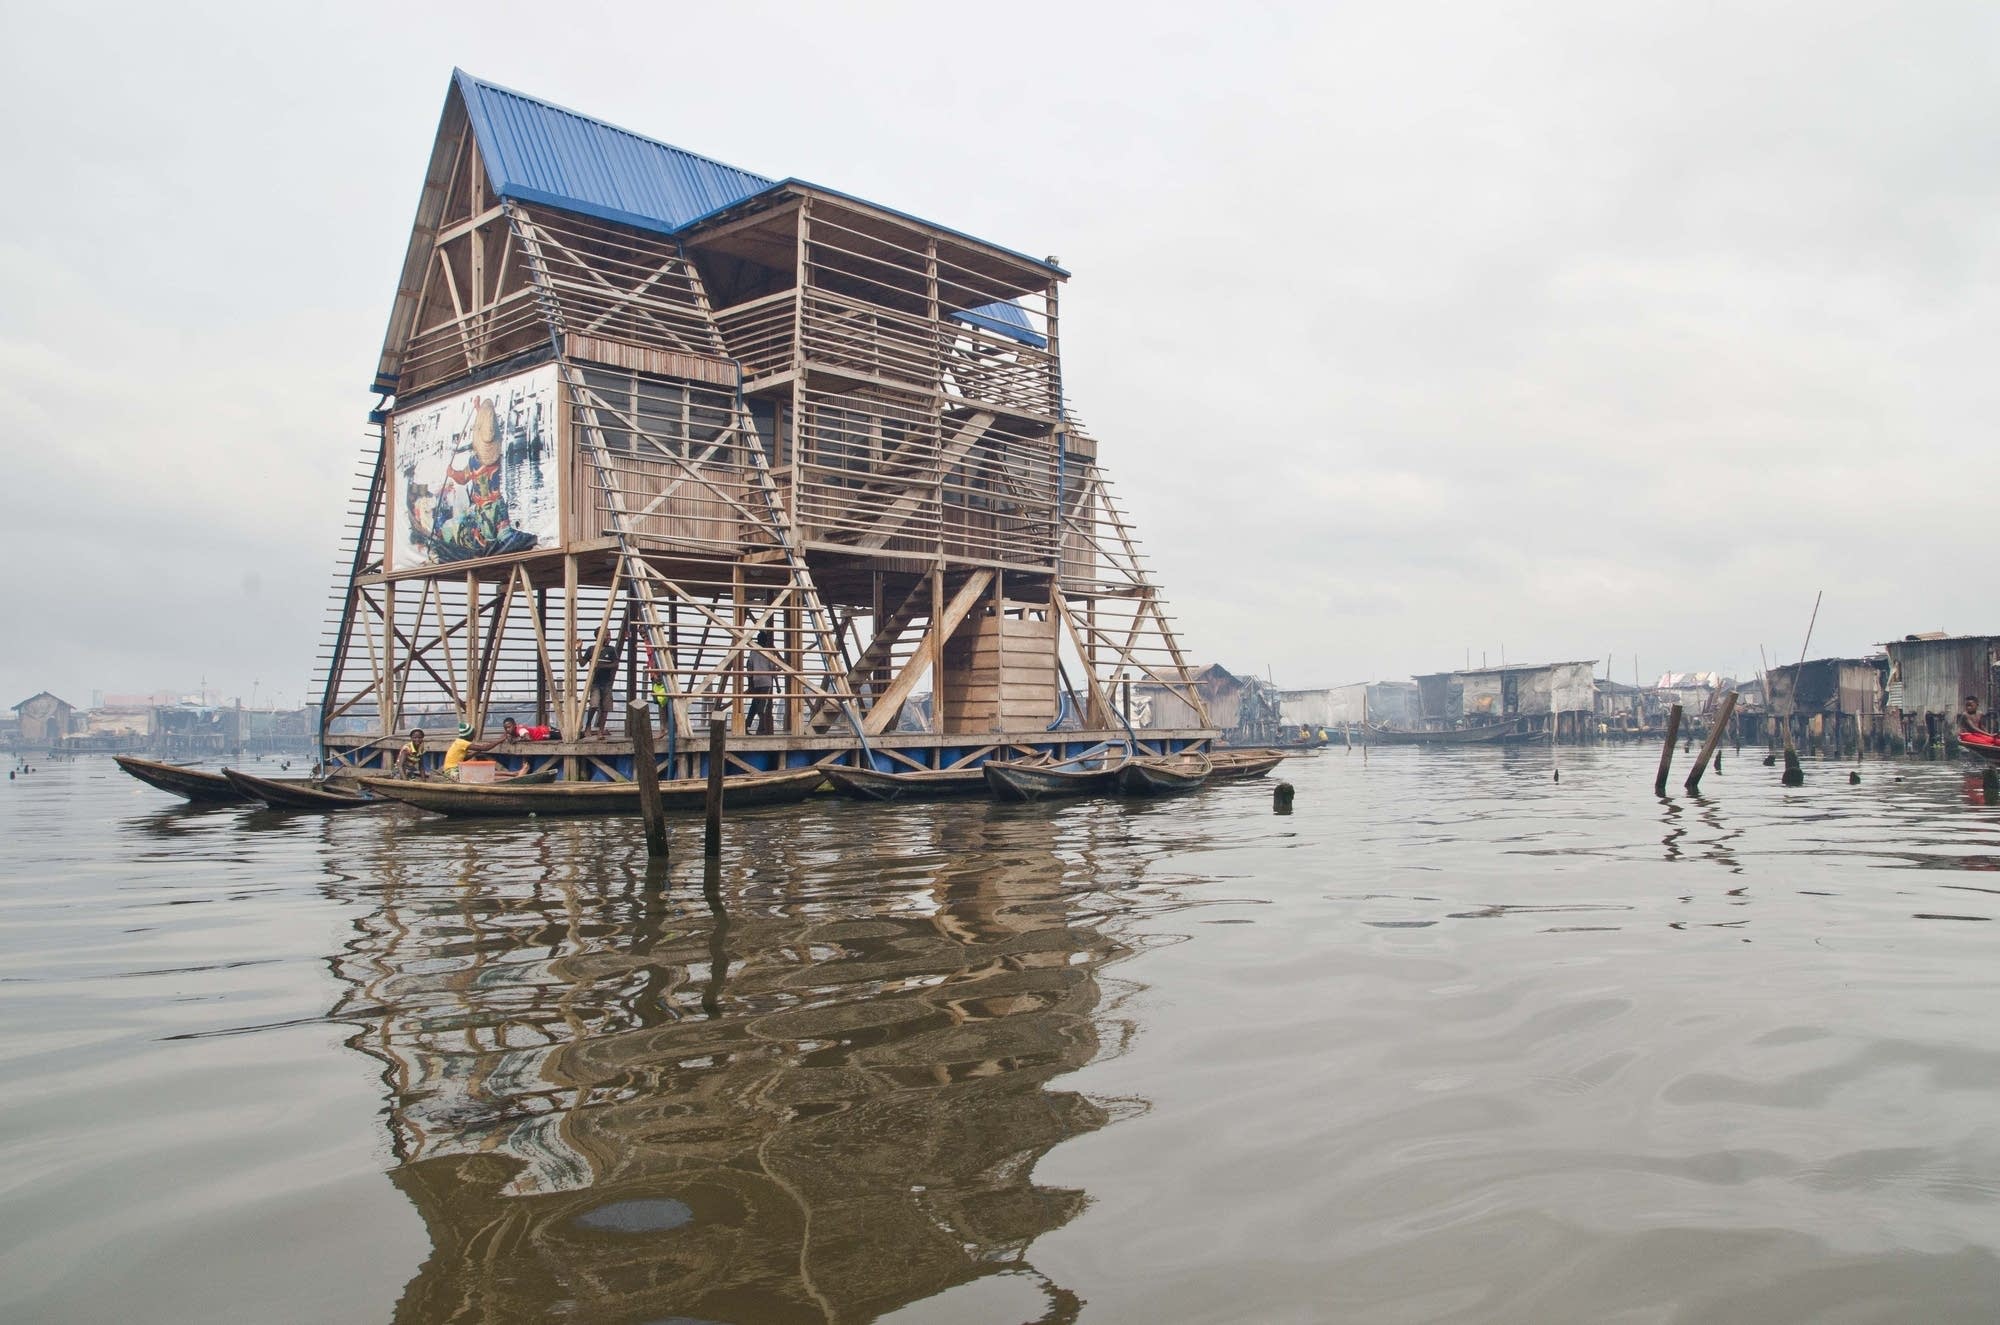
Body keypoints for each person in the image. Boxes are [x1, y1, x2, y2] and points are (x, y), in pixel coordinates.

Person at [580, 637, 620, 735]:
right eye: (607, 635)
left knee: (605, 707)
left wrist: (601, 666)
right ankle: (588, 726)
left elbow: (615, 664)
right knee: (594, 704)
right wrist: (579, 649)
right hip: (595, 683)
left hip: (606, 683)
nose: (609, 637)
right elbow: (582, 663)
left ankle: (601, 730)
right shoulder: (591, 649)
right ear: (599, 636)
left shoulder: (611, 650)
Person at [441, 722, 507, 778]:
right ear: (468, 735)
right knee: (482, 774)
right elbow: (486, 748)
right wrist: (499, 740)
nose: (473, 737)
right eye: (473, 735)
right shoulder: (463, 743)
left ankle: (512, 774)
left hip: (453, 769)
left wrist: (478, 751)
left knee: (482, 772)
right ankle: (512, 774)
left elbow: (464, 758)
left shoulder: (459, 742)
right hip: (452, 771)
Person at [745, 629, 777, 735]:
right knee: (761, 706)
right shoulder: (768, 652)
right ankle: (761, 729)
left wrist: (749, 683)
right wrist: (777, 685)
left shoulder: (753, 652)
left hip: (756, 681)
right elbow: (773, 669)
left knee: (755, 705)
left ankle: (746, 726)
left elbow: (749, 666)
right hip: (766, 682)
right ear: (765, 641)